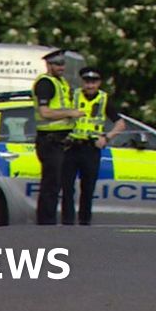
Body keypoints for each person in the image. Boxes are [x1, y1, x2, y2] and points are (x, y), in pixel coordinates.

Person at [61, 66, 126, 225]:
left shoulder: (104, 99)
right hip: (71, 147)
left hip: (91, 149)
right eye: (87, 82)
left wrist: (107, 138)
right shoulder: (73, 96)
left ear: (99, 83)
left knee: (88, 189)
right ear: (82, 82)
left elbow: (120, 124)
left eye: (94, 82)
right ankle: (67, 222)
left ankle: (85, 222)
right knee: (67, 188)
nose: (90, 86)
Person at [32, 48, 83, 225]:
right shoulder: (45, 83)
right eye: (57, 64)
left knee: (57, 184)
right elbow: (45, 112)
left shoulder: (61, 83)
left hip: (61, 141)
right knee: (50, 185)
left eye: (63, 64)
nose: (61, 67)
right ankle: (46, 223)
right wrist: (70, 112)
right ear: (48, 64)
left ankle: (52, 221)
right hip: (49, 140)